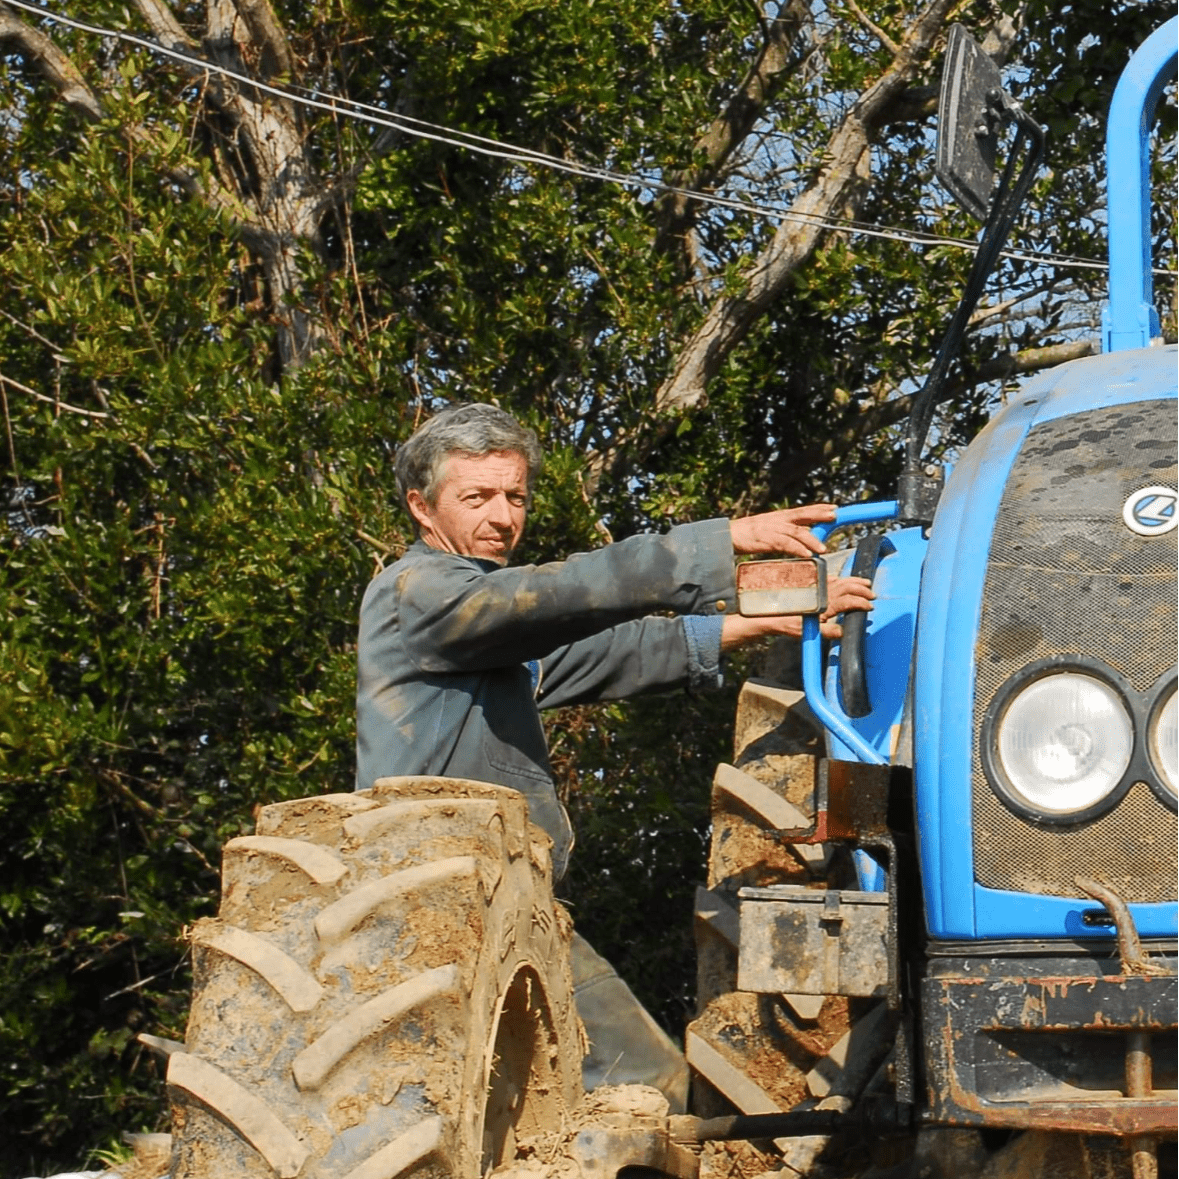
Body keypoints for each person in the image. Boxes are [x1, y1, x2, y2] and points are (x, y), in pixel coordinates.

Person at [355, 402, 874, 1110]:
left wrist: (756, 619)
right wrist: (724, 541)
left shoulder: (493, 640)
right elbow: (562, 592)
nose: (501, 517)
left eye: (514, 497)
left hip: (513, 906)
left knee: (652, 1087)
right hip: (425, 904)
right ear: (422, 507)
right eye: (475, 497)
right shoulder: (417, 595)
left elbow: (611, 650)